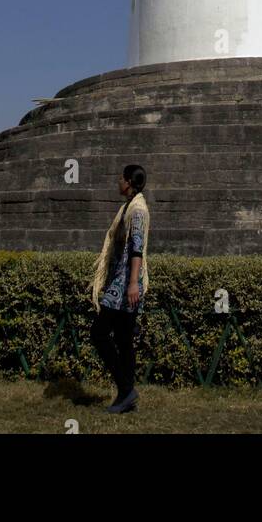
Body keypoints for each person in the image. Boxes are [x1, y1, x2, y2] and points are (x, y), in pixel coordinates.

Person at [90, 164, 150, 414]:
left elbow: (136, 247)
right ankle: (127, 396)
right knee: (124, 339)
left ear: (128, 182)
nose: (117, 181)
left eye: (120, 178)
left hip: (125, 283)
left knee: (99, 334)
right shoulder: (130, 207)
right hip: (124, 279)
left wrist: (133, 283)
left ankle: (126, 389)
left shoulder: (137, 211)